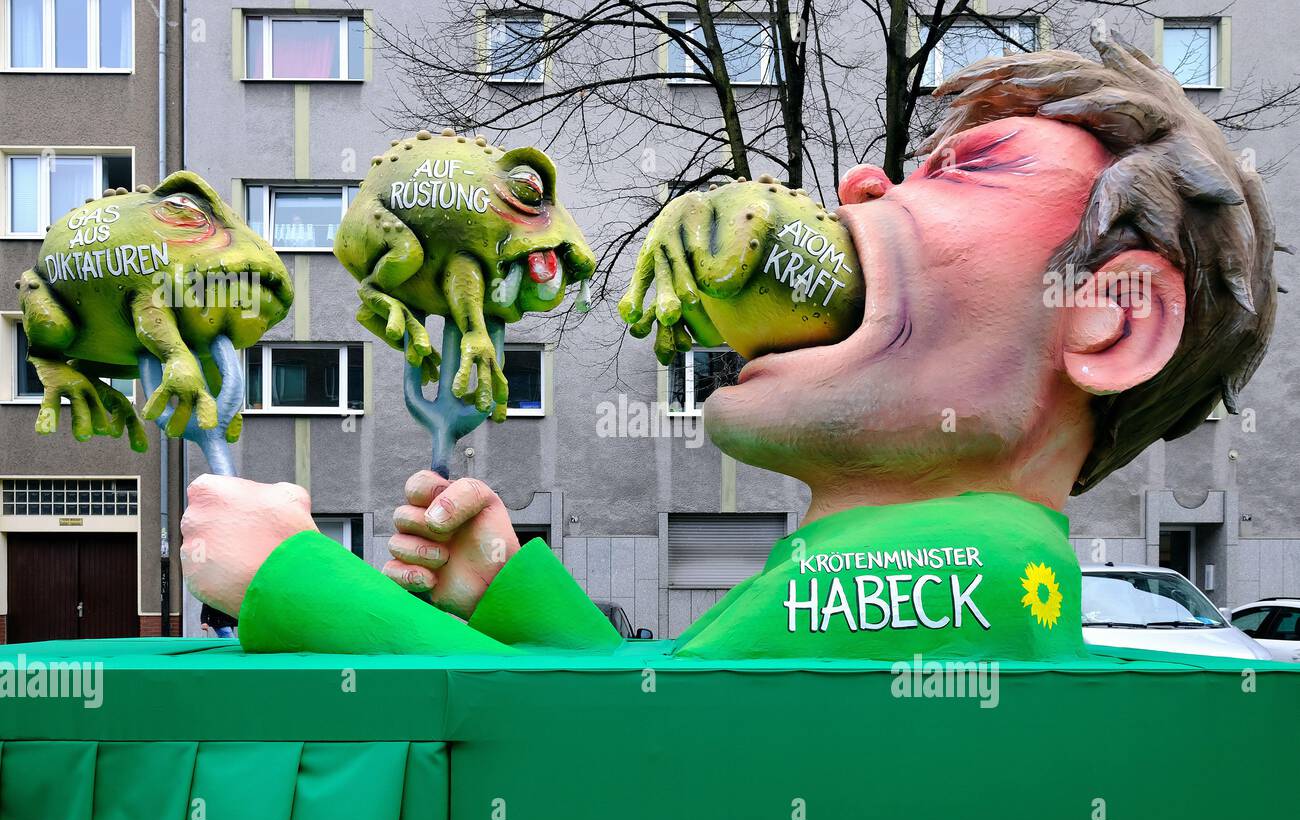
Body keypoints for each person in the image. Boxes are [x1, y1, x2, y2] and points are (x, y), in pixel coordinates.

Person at [178, 23, 1276, 661]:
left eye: (970, 168)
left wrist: (287, 574)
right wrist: (508, 587)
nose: (862, 182)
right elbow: (679, 716)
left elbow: (604, 769)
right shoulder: (955, 548)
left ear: (1115, 316)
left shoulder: (966, 562)